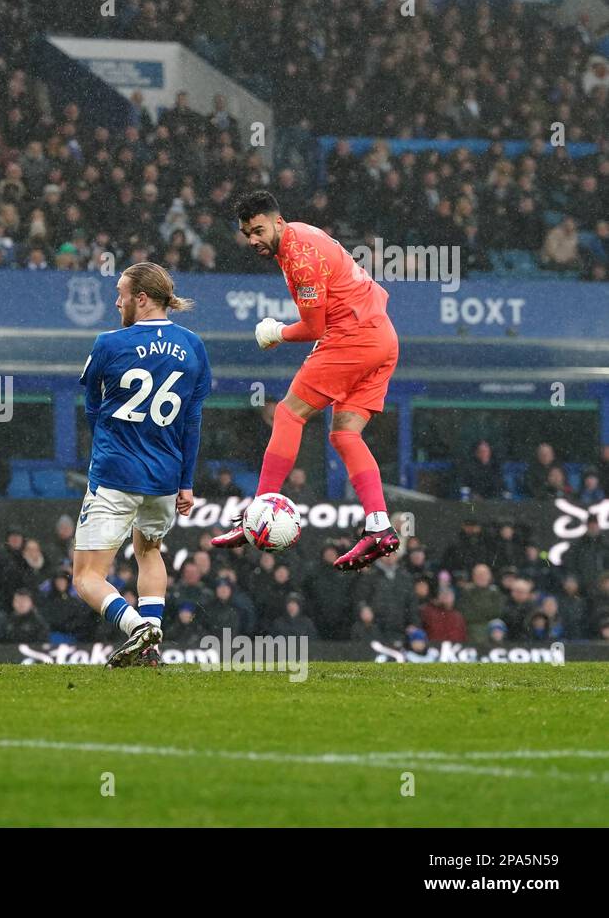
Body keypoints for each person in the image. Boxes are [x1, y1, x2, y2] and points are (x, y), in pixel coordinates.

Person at [214, 191, 399, 570]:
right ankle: (379, 527)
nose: (253, 240)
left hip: (354, 337)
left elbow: (315, 327)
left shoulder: (300, 259)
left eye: (259, 229)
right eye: (247, 233)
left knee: (287, 414)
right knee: (345, 434)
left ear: (277, 222)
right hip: (382, 338)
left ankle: (260, 510)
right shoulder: (298, 235)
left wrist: (277, 332)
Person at [72, 262, 211, 667]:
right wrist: (186, 482)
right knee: (149, 552)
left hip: (116, 473)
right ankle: (149, 650)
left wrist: (111, 439)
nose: (116, 301)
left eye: (121, 293)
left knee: (86, 577)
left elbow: (92, 408)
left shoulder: (109, 344)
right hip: (165, 478)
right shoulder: (193, 346)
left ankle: (138, 628)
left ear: (142, 298)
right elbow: (192, 420)